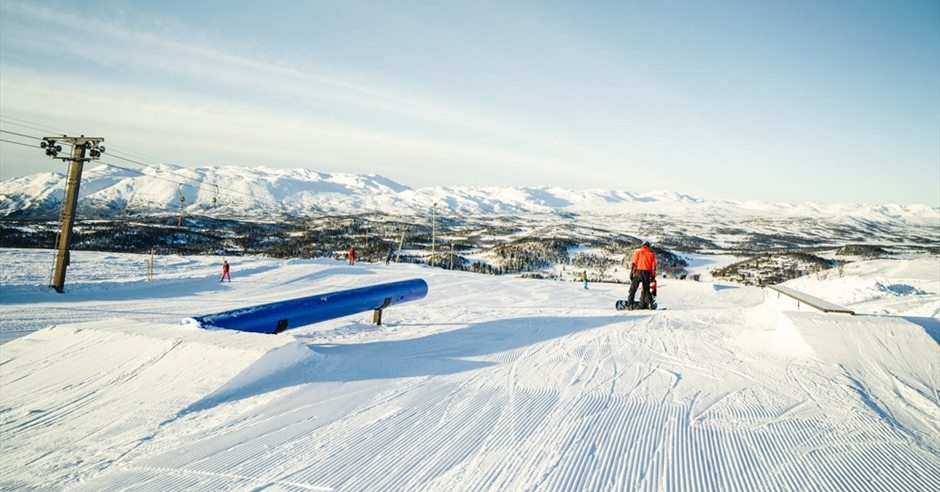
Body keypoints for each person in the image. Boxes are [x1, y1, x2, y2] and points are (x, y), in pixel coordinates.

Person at [627, 242, 656, 310]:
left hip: (638, 272)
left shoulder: (638, 253)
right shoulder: (651, 254)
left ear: (642, 246)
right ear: (648, 247)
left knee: (633, 289)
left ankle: (630, 304)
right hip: (647, 273)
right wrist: (652, 276)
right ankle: (649, 304)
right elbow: (653, 267)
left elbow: (634, 264)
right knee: (646, 290)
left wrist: (632, 273)